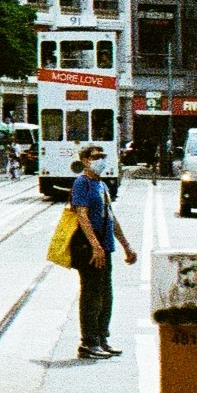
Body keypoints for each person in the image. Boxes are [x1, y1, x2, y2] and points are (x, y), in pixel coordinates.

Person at [68, 145, 132, 359]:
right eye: (96, 157)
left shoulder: (102, 185)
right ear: (85, 160)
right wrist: (95, 245)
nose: (101, 160)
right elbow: (82, 216)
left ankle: (102, 338)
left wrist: (126, 245)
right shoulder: (82, 183)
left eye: (103, 156)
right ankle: (88, 342)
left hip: (104, 248)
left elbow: (110, 217)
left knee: (106, 294)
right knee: (91, 294)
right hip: (88, 249)